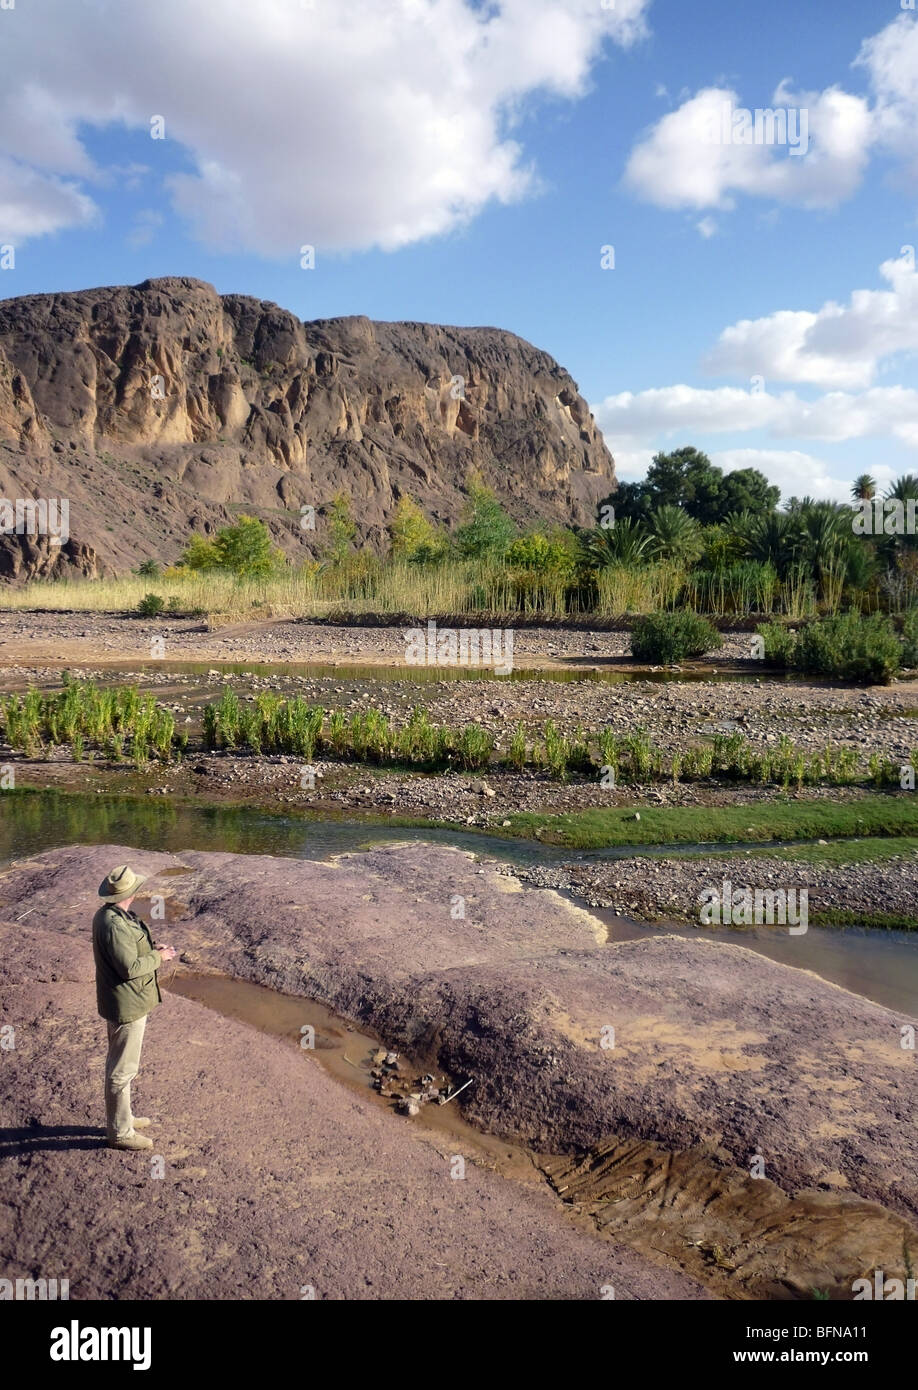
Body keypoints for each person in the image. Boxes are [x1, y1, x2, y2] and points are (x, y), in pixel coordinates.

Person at [92, 864, 177, 1151]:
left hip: (125, 1000)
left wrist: (151, 949)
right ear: (132, 891)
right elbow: (129, 968)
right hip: (126, 1004)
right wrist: (159, 957)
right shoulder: (113, 923)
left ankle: (123, 1118)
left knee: (124, 1067)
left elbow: (129, 953)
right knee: (121, 1070)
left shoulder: (111, 915)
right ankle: (119, 1132)